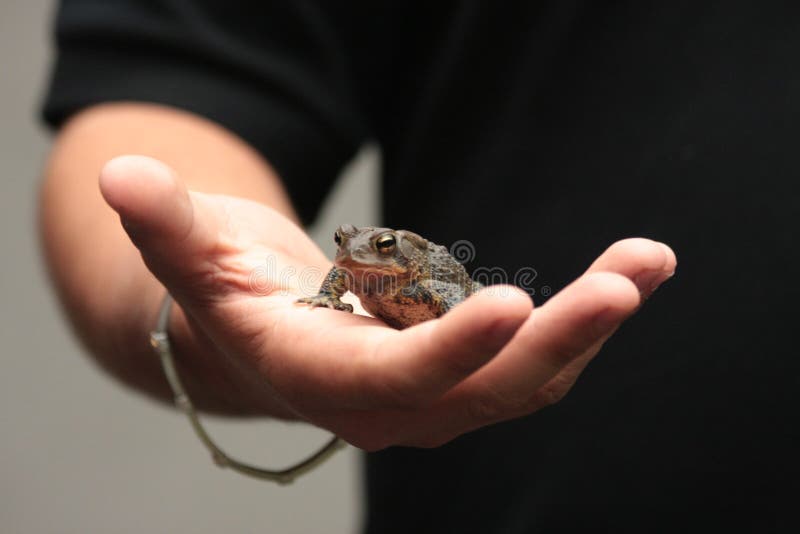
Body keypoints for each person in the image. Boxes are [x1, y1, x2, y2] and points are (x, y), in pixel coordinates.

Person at [39, 1, 796, 532]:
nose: (356, 257)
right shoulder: (363, 270)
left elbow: (456, 301)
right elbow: (169, 79)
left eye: (373, 249)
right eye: (351, 247)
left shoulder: (424, 273)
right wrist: (238, 304)